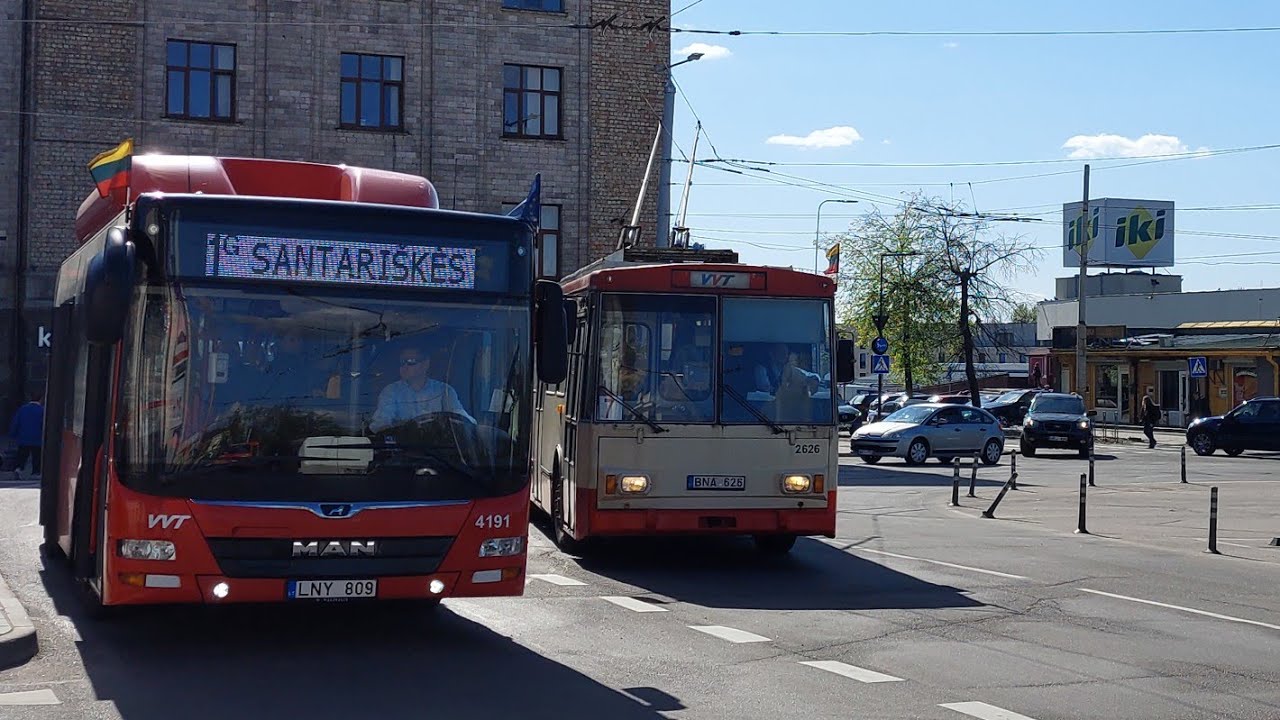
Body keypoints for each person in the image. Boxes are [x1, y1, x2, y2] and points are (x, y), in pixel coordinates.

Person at [369, 346, 475, 433]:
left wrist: (476, 427)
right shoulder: (391, 391)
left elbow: (460, 417)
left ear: (425, 364)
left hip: (439, 448)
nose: (404, 367)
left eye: (410, 362)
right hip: (404, 448)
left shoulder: (444, 391)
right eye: (402, 363)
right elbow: (380, 423)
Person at [754, 343, 819, 395]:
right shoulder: (761, 369)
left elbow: (811, 375)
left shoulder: (788, 368)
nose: (785, 355)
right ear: (771, 353)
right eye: (781, 352)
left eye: (786, 353)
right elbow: (765, 388)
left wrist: (814, 379)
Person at [8, 391, 44, 478]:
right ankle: (35, 472)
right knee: (36, 456)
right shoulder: (42, 410)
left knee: (22, 455)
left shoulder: (22, 409)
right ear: (41, 399)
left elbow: (16, 422)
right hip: (37, 438)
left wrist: (12, 434)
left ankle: (18, 469)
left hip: (23, 437)